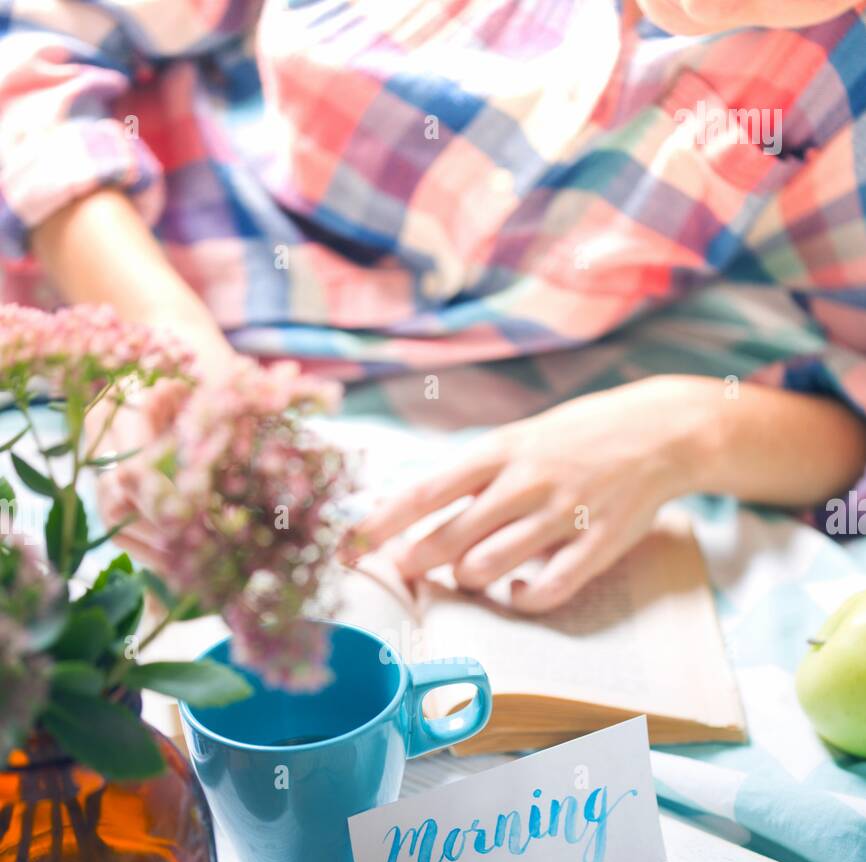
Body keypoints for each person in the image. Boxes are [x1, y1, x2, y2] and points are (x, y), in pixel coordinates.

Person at [1, 0, 865, 610]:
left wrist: (685, 431)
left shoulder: (837, 76)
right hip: (73, 267)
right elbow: (39, 38)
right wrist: (162, 339)